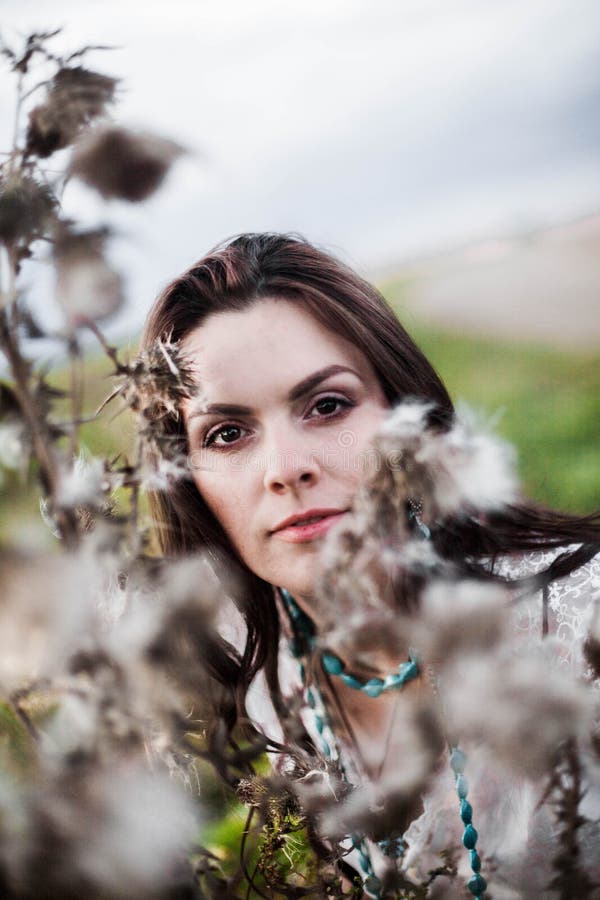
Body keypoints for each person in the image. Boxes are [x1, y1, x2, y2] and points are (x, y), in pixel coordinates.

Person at [141, 232, 600, 898]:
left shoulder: (579, 627)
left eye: (327, 405)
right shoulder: (266, 672)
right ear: (189, 482)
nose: (286, 469)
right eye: (227, 432)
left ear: (407, 416)